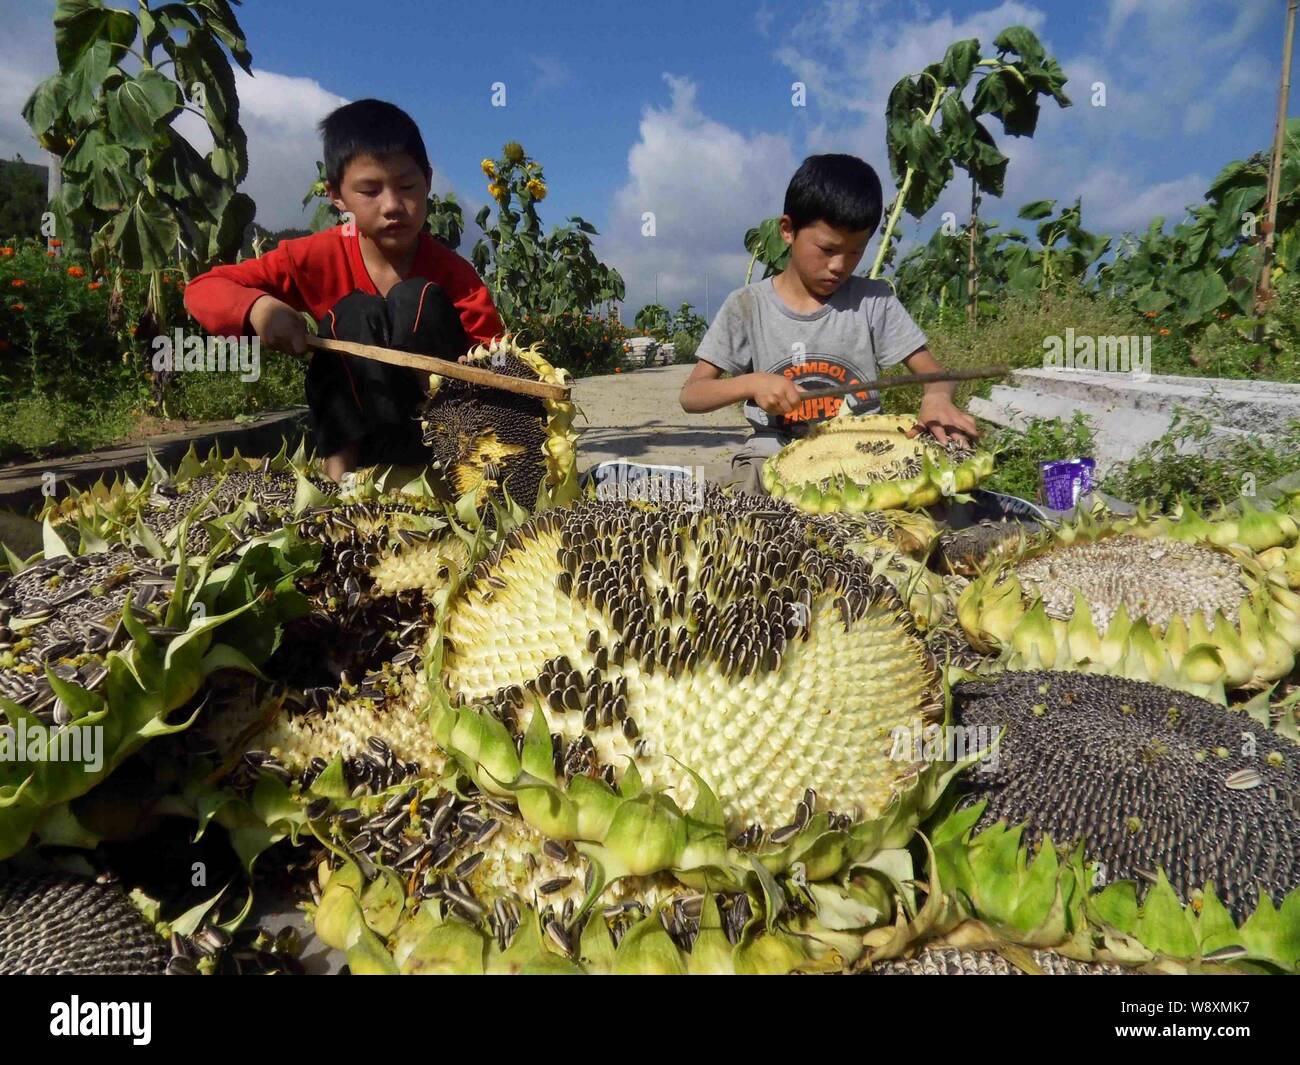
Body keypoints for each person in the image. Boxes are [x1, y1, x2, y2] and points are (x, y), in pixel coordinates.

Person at [184, 99, 504, 482]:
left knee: (415, 299)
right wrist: (259, 309)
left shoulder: (454, 275)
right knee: (353, 312)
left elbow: (498, 357)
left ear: (428, 182)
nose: (392, 205)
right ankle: (339, 479)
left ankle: (451, 468)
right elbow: (205, 288)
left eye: (407, 186)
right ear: (336, 195)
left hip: (446, 444)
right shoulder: (318, 256)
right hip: (361, 446)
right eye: (369, 191)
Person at [679, 153, 979, 495]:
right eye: (827, 249)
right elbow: (692, 395)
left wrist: (937, 398)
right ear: (788, 230)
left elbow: (938, 376)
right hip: (772, 454)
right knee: (738, 510)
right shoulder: (748, 306)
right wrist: (753, 384)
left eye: (855, 253)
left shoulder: (874, 302)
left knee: (946, 491)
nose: (839, 265)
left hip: (864, 454)